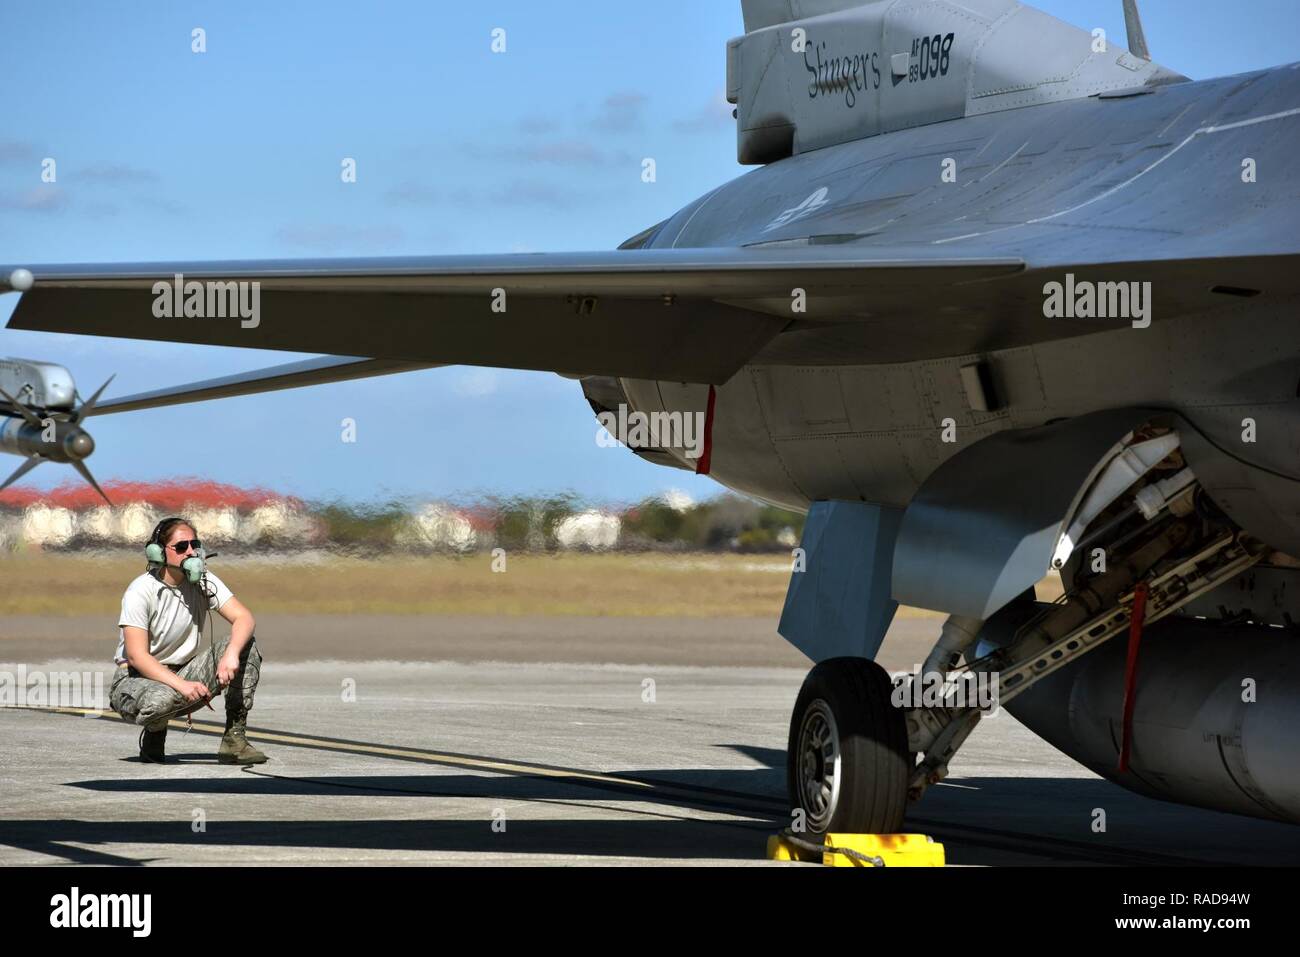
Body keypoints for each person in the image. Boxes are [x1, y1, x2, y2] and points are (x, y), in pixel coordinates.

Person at [109, 515, 268, 765]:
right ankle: (154, 734)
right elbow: (137, 656)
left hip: (183, 671)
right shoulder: (141, 590)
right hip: (136, 678)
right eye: (181, 547)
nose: (191, 552)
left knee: (244, 643)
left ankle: (234, 739)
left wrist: (231, 655)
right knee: (161, 699)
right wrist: (182, 686)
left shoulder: (204, 580)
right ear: (159, 553)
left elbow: (244, 618)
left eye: (195, 545)